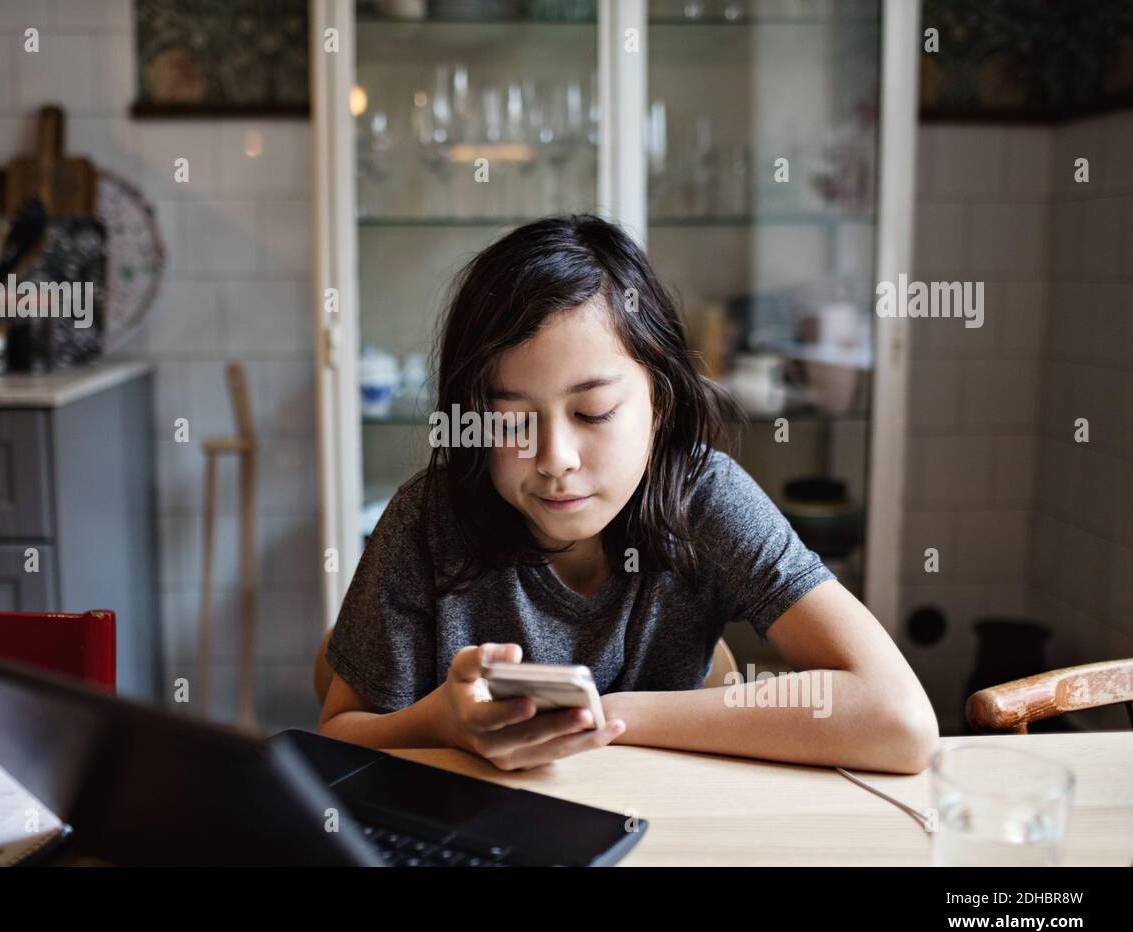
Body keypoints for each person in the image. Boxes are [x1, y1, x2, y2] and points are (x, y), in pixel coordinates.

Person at [319, 214, 938, 774]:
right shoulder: (428, 519)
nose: (555, 459)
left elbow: (900, 719)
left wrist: (611, 718)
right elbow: (335, 740)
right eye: (510, 420)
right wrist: (440, 725)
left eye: (593, 412)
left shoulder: (703, 499)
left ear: (658, 406)